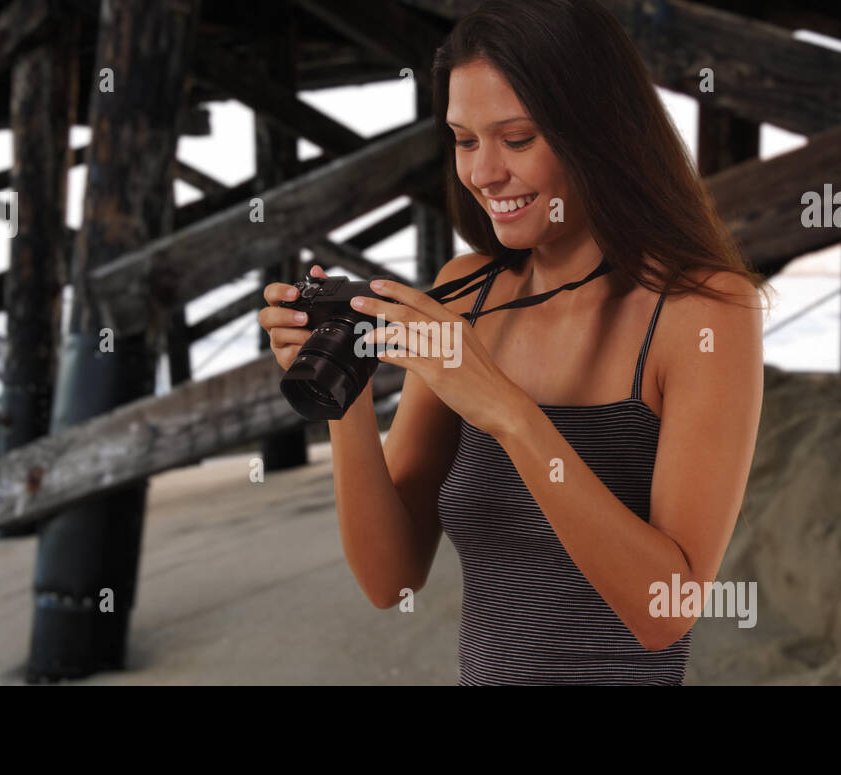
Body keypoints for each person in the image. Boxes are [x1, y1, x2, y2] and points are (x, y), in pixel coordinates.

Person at [257, 0, 772, 685]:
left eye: (517, 138)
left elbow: (665, 610)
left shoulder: (703, 311)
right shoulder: (464, 292)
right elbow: (391, 580)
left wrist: (505, 409)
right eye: (465, 140)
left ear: (599, 131)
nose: (483, 173)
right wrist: (340, 389)